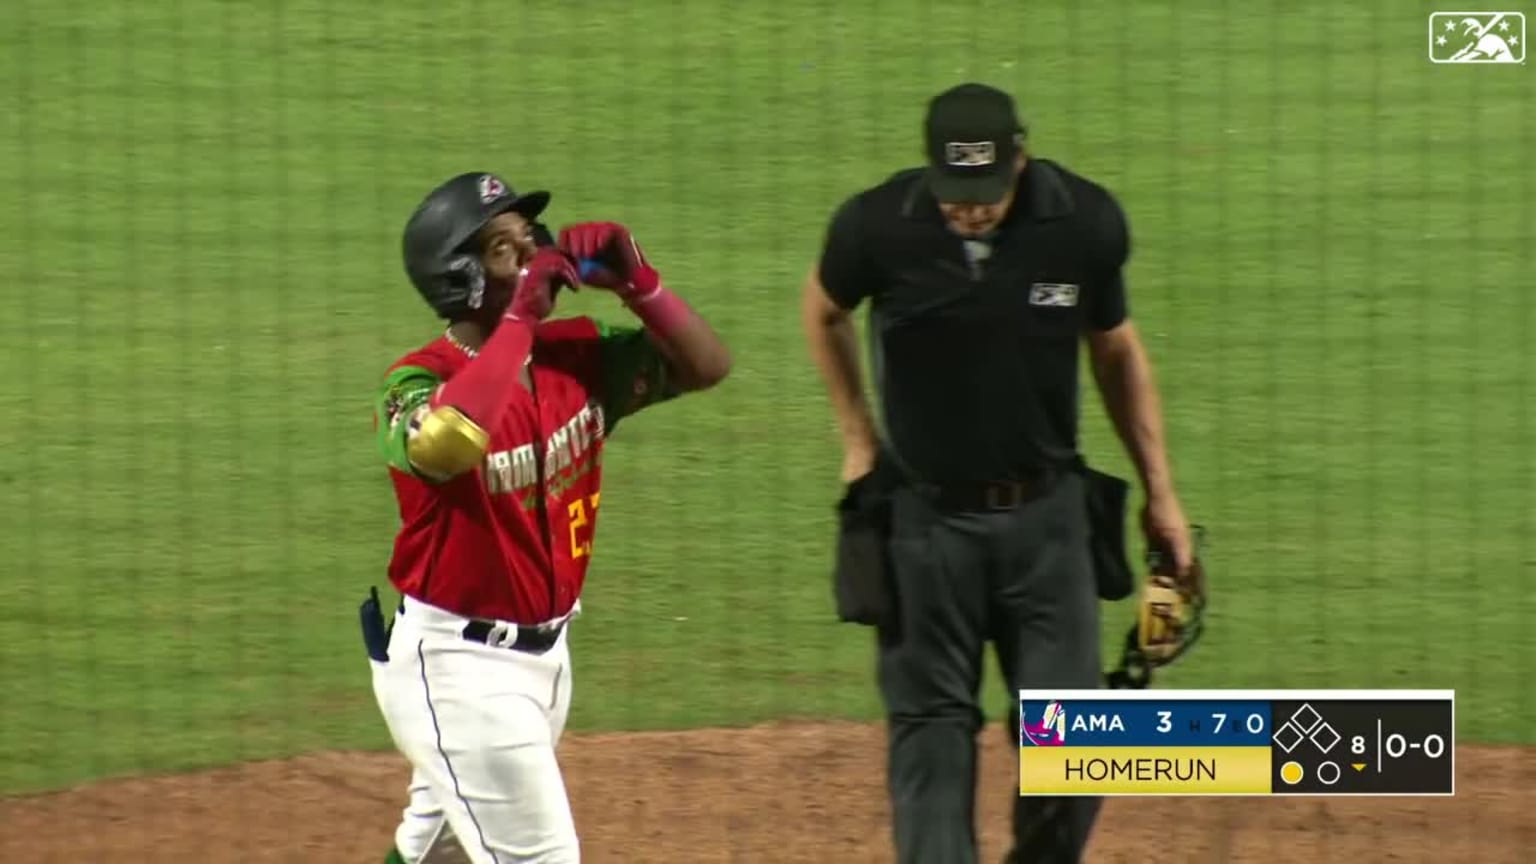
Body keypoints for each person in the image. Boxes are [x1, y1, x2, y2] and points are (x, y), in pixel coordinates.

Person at [801, 83, 1193, 864]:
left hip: (1048, 525)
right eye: (954, 194)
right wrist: (858, 438)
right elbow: (823, 309)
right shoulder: (878, 226)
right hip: (922, 524)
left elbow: (1115, 349)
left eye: (984, 194)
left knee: (1076, 739)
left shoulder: (1082, 224)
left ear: (1021, 158)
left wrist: (1163, 495)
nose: (968, 210)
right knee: (931, 740)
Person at [363, 171, 730, 864]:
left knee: (436, 850)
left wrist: (639, 284)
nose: (533, 253)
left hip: (546, 658)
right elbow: (447, 444)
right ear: (460, 280)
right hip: (456, 669)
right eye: (505, 248)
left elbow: (706, 366)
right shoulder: (415, 383)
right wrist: (520, 319)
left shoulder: (578, 357)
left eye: (530, 237)